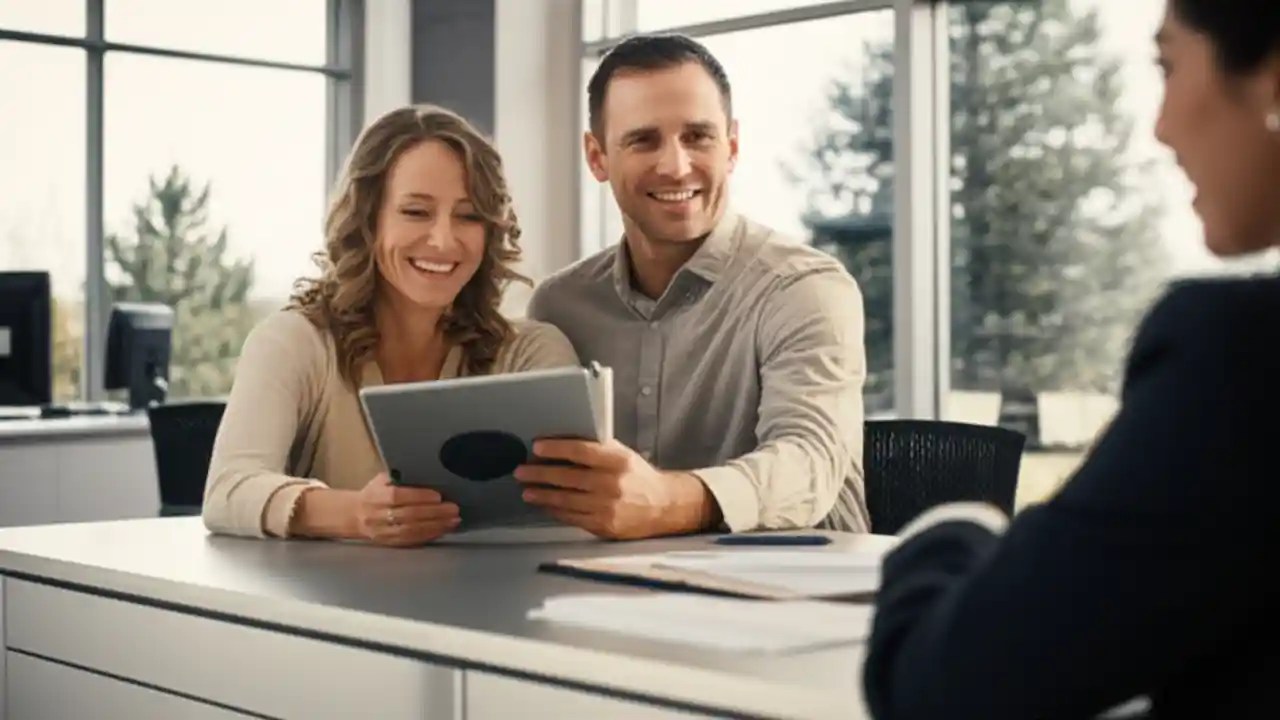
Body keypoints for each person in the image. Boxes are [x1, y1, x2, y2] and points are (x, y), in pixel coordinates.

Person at [863, 1, 1280, 717]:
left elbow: (941, 689)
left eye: (1168, 65)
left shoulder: (1240, 363)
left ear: (1272, 78)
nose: (1161, 125)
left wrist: (950, 531)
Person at [521, 34, 871, 541]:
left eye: (698, 137)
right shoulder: (559, 307)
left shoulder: (804, 289)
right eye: (643, 140)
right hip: (609, 594)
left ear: (731, 146)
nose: (676, 165)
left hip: (794, 596)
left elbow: (807, 461)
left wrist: (668, 503)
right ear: (597, 157)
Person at [202, 104, 580, 547]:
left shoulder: (531, 352)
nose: (443, 240)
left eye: (469, 215)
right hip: (329, 610)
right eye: (416, 212)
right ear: (368, 221)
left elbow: (574, 501)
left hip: (496, 603)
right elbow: (227, 491)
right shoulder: (294, 343)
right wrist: (354, 514)